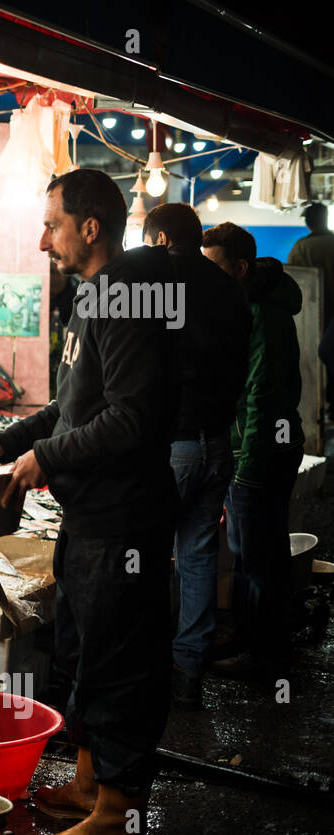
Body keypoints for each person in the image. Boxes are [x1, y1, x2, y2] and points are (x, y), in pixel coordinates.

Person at [0, 168, 178, 835]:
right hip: (89, 516)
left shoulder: (128, 299)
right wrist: (5, 441)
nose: (42, 238)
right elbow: (72, 408)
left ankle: (120, 812)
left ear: (91, 227)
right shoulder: (92, 297)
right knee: (81, 651)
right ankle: (89, 780)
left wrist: (46, 457)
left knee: (120, 663)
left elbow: (133, 418)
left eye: (53, 224)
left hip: (123, 518)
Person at [142, 203, 251, 709]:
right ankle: (188, 672)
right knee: (198, 557)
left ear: (162, 239)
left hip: (171, 444)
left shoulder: (156, 282)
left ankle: (141, 670)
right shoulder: (230, 287)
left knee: (139, 555)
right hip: (216, 444)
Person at [203, 222, 304, 678]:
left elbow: (263, 396)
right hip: (245, 448)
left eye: (216, 267)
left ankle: (267, 658)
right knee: (246, 551)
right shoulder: (241, 304)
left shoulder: (263, 313)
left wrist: (249, 469)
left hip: (262, 450)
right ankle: (249, 638)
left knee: (261, 556)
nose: (208, 279)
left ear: (240, 267)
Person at [288, 203, 334, 419]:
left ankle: (319, 414)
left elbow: (293, 285)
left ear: (309, 222)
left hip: (312, 321)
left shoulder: (302, 247)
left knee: (314, 366)